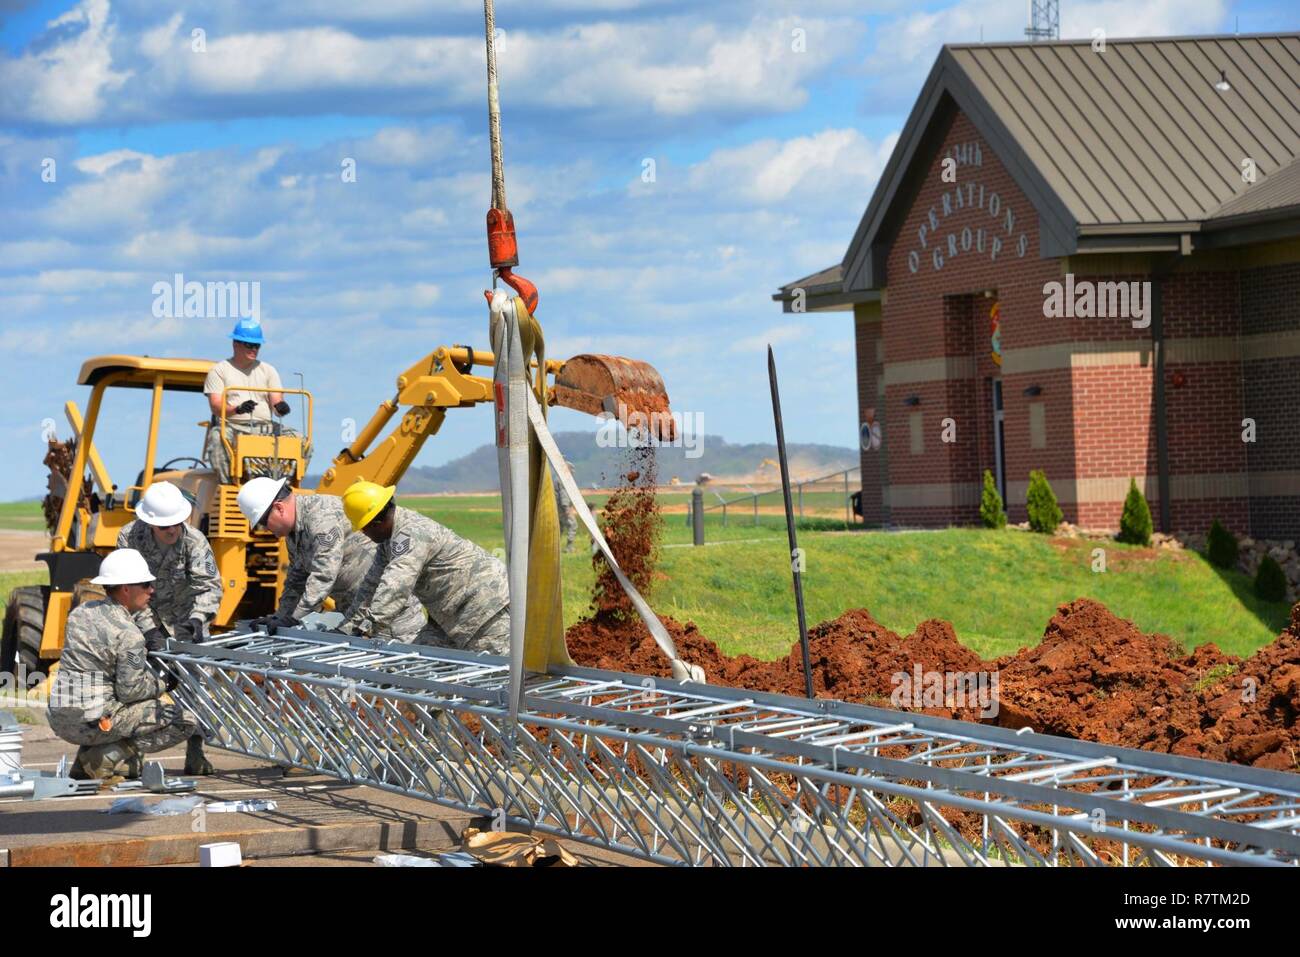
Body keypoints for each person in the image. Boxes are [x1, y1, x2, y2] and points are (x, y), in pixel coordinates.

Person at [47, 549, 211, 780]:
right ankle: (104, 756)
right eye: (145, 584)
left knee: (120, 709)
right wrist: (164, 682)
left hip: (60, 716)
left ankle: (87, 758)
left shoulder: (80, 614)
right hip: (97, 720)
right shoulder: (129, 635)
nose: (151, 590)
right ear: (126, 588)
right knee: (184, 720)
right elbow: (130, 691)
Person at [235, 477, 424, 637]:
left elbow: (324, 573)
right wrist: (281, 614)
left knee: (406, 671)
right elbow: (296, 578)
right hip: (355, 613)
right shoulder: (294, 534)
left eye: (264, 523)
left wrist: (294, 617)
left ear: (279, 508)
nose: (267, 530)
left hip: (390, 612)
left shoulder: (320, 517)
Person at [340, 481, 509, 654]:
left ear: (375, 523)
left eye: (363, 528)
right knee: (419, 658)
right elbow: (371, 585)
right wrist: (347, 628)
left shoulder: (412, 533)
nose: (363, 534)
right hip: (449, 611)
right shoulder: (388, 542)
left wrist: (370, 626)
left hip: (484, 604)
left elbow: (396, 585)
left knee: (493, 670)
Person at [116, 481, 222, 645]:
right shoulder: (129, 538)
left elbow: (209, 586)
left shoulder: (195, 541)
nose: (172, 530)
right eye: (164, 526)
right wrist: (148, 629)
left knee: (195, 670)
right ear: (150, 522)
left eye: (177, 523)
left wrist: (197, 619)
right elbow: (126, 590)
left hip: (187, 626)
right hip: (143, 626)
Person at [203, 317, 307, 483]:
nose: (254, 349)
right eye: (249, 345)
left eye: (257, 345)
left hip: (265, 427)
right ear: (235, 344)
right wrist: (238, 409)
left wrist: (280, 407)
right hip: (233, 426)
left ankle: (284, 486)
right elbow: (216, 406)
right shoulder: (219, 370)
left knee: (302, 441)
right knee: (217, 437)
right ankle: (229, 485)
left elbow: (276, 400)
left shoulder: (268, 370)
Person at [552, 461, 578, 553]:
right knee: (573, 525)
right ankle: (569, 547)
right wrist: (567, 508)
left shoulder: (557, 479)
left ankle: (554, 548)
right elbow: (564, 496)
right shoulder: (562, 480)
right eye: (571, 471)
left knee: (560, 528)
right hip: (562, 508)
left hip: (557, 508)